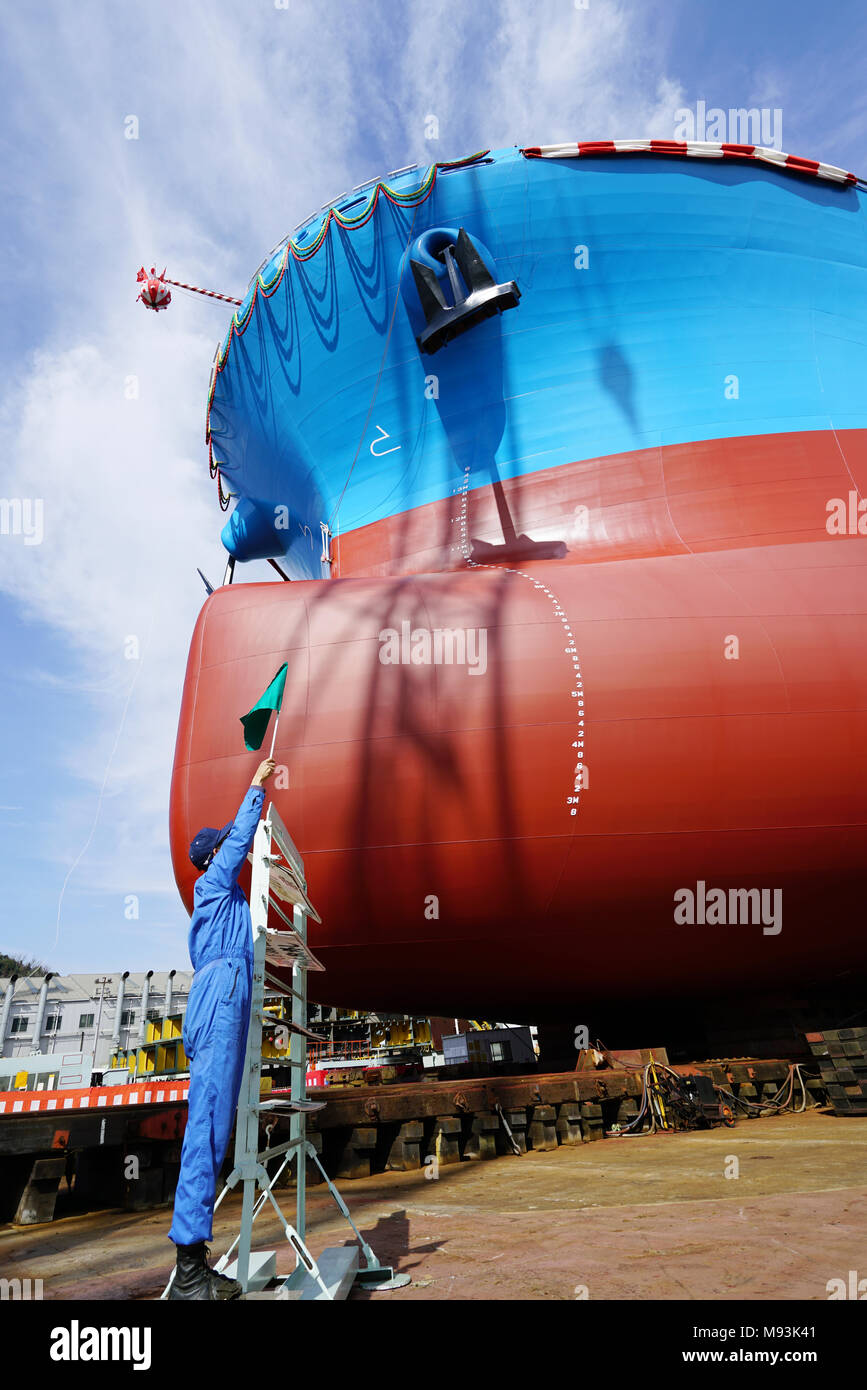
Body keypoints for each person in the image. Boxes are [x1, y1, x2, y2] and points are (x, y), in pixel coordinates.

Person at [168, 757, 276, 1300]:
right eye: (227, 849)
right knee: (206, 1128)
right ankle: (188, 1272)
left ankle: (197, 1261)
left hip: (222, 997)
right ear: (213, 857)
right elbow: (236, 845)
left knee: (213, 1129)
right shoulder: (213, 882)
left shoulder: (224, 901)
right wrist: (256, 789)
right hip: (219, 999)